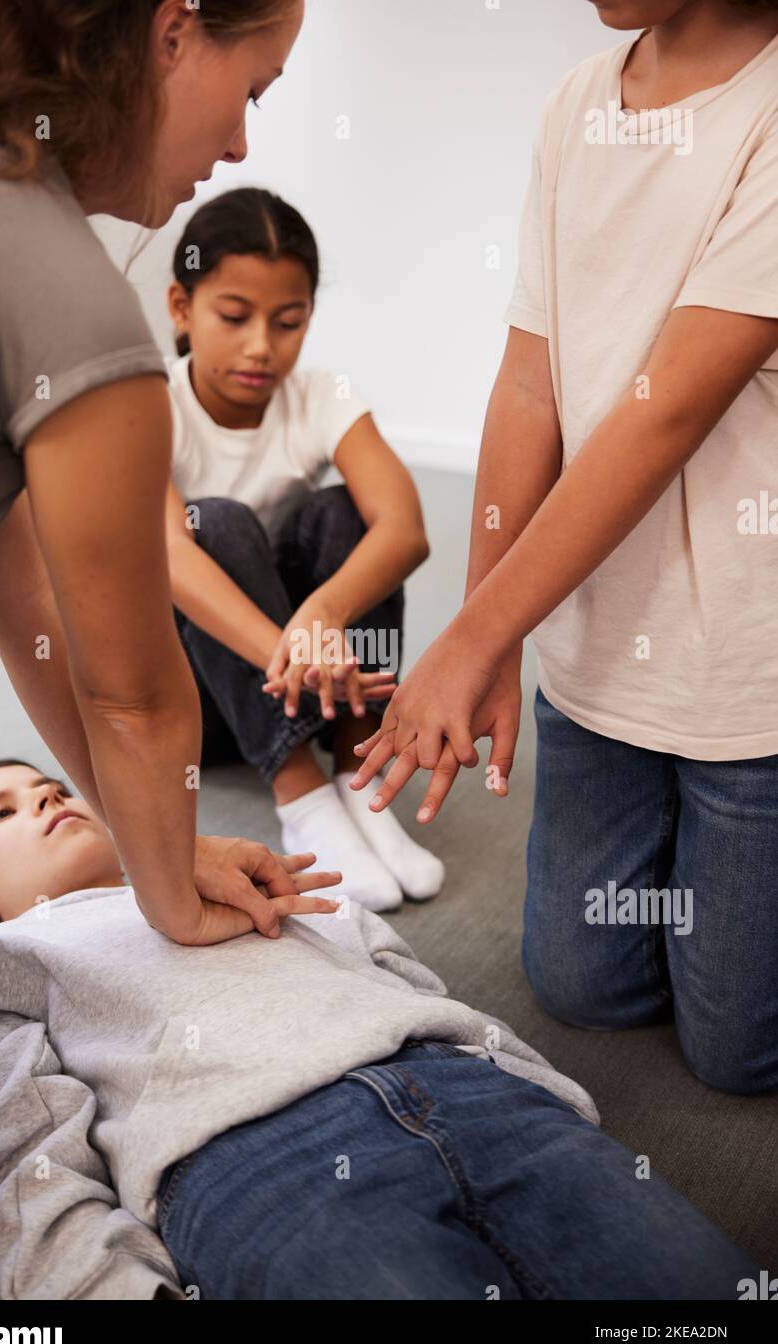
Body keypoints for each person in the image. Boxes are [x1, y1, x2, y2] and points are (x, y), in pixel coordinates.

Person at [350, 0, 778, 1095]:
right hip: (601, 649)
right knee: (580, 986)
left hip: (751, 677)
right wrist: (486, 635)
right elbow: (530, 380)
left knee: (737, 1053)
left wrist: (479, 633)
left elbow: (666, 412)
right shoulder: (577, 104)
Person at [0, 760, 758, 1301]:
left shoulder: (239, 874)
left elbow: (401, 975)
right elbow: (5, 1176)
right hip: (260, 1167)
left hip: (480, 1101)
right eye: (3, 812)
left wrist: (522, 1083)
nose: (48, 797)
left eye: (51, 784)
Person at [0, 0, 326, 947]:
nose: (237, 145)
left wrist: (161, 851)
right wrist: (174, 905)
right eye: (251, 91)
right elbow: (129, 694)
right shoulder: (76, 318)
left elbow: (26, 600)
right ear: (171, 35)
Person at [163, 188, 444, 912]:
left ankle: (359, 769)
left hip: (322, 680)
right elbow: (168, 556)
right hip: (204, 700)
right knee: (213, 523)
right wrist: (292, 653)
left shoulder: (319, 394)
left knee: (344, 513)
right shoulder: (150, 404)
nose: (262, 345)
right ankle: (301, 789)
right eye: (234, 317)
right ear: (180, 308)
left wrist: (319, 615)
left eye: (288, 322)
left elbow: (404, 527)